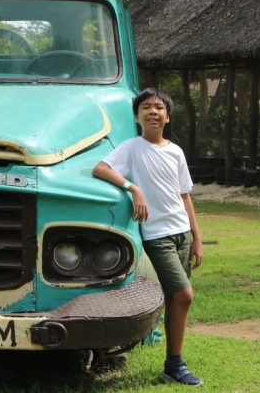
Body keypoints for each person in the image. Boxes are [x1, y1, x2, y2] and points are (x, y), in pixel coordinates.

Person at [92, 87, 204, 386]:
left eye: (159, 108)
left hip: (181, 232)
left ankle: (172, 365)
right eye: (146, 108)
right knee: (184, 295)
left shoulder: (176, 151)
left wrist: (197, 238)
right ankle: (176, 364)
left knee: (175, 299)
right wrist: (133, 188)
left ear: (167, 117)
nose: (153, 112)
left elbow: (185, 196)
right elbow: (101, 168)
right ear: (138, 116)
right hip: (157, 235)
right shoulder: (131, 147)